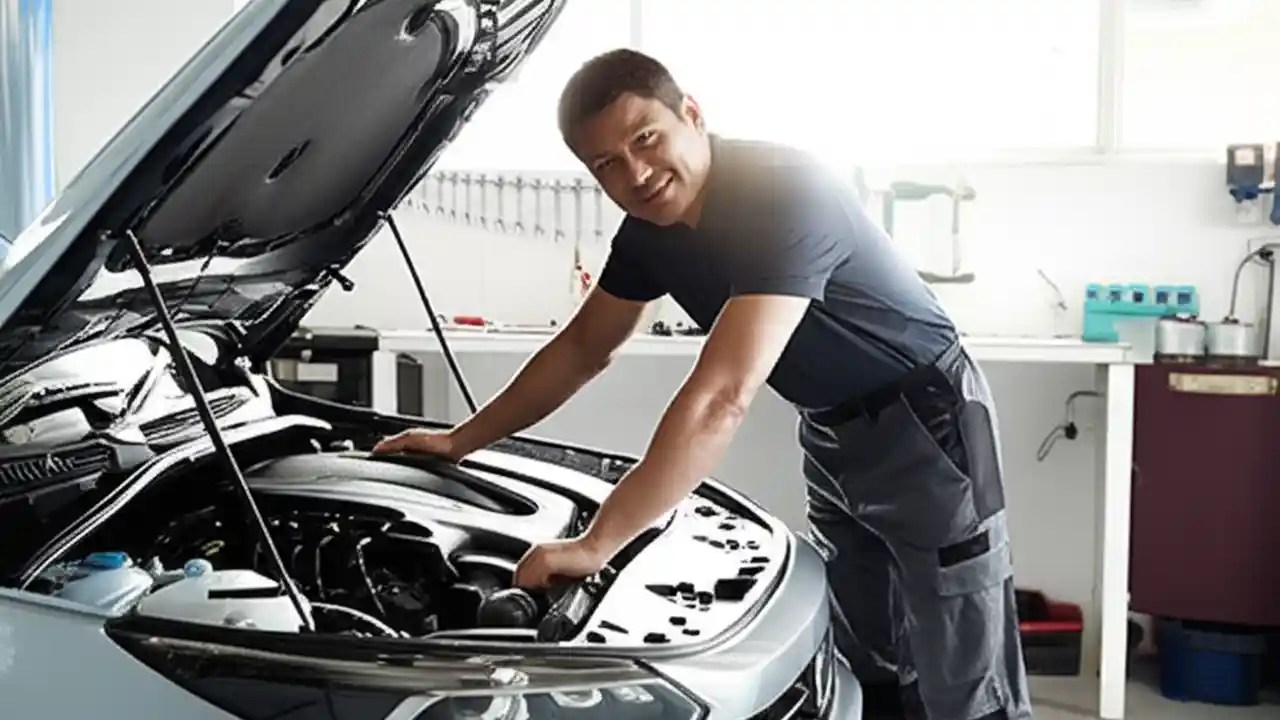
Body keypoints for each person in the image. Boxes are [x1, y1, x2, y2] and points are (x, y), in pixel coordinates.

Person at [373, 49, 1032, 720]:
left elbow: (723, 395)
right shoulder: (650, 236)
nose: (636, 173)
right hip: (831, 432)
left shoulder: (785, 193)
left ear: (691, 112)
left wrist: (599, 542)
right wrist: (461, 440)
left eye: (646, 138)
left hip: (927, 422)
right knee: (869, 661)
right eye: (606, 164)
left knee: (965, 676)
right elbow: (582, 348)